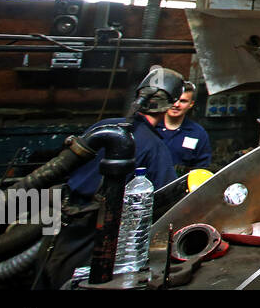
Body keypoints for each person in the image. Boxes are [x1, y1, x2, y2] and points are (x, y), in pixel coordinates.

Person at [34, 66, 182, 289]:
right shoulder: (155, 148)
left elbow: (66, 164)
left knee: (45, 275)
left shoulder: (103, 126)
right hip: (97, 235)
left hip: (60, 221)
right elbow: (166, 202)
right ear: (170, 105)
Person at [157, 82, 212, 173]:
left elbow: (202, 170)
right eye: (174, 99)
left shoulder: (198, 133)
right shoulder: (151, 127)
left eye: (183, 101)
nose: (176, 104)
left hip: (180, 185)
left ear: (191, 104)